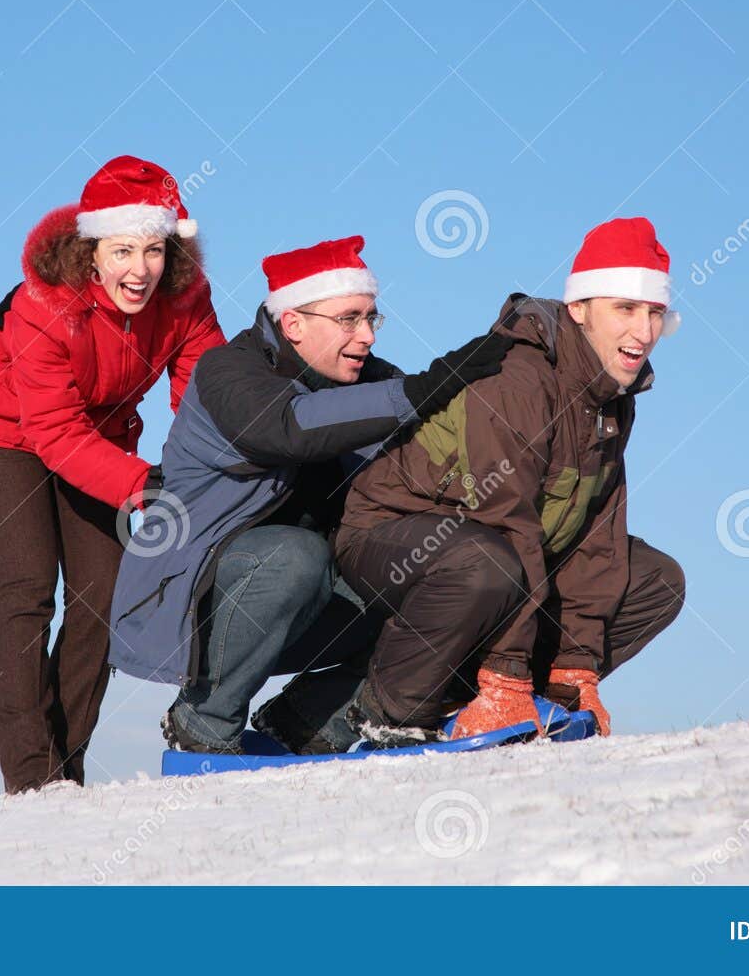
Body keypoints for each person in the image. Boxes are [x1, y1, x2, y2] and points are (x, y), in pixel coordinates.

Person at [109, 235, 512, 754]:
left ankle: (312, 718)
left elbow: (437, 439)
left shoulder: (370, 381)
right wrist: (424, 388)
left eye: (371, 319)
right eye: (349, 319)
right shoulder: (228, 372)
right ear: (293, 323)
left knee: (440, 578)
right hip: (201, 599)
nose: (366, 336)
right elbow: (289, 427)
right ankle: (204, 719)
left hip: (306, 599)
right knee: (295, 555)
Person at [336, 217, 687, 743]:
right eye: (626, 309)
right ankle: (385, 710)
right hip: (393, 537)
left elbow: (599, 537)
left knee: (654, 579)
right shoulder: (520, 381)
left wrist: (576, 670)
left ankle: (505, 691)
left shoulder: (612, 397)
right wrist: (506, 675)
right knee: (489, 561)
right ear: (580, 309)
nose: (643, 331)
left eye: (655, 312)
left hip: (498, 553)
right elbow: (504, 518)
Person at [0, 156, 224, 792]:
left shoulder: (185, 300)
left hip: (97, 438)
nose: (139, 269)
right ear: (91, 250)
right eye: (122, 250)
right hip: (4, 434)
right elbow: (50, 430)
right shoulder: (47, 302)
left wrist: (209, 467)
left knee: (102, 600)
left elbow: (204, 395)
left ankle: (66, 769)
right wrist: (143, 485)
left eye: (153, 250)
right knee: (27, 586)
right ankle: (31, 776)